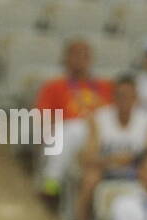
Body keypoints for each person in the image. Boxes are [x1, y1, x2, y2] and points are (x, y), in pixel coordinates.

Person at [74, 74, 147, 220]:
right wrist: (118, 160)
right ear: (113, 97)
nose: (124, 100)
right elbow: (88, 156)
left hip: (136, 171)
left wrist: (125, 160)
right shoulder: (99, 119)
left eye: (129, 96)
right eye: (120, 95)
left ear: (135, 98)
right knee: (89, 179)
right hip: (106, 170)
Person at [34, 40, 113, 201]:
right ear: (66, 59)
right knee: (68, 131)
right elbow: (44, 118)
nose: (79, 59)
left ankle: (53, 179)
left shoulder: (106, 86)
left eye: (84, 55)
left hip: (101, 135)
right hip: (68, 133)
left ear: (91, 59)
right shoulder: (53, 86)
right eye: (75, 55)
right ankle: (52, 183)